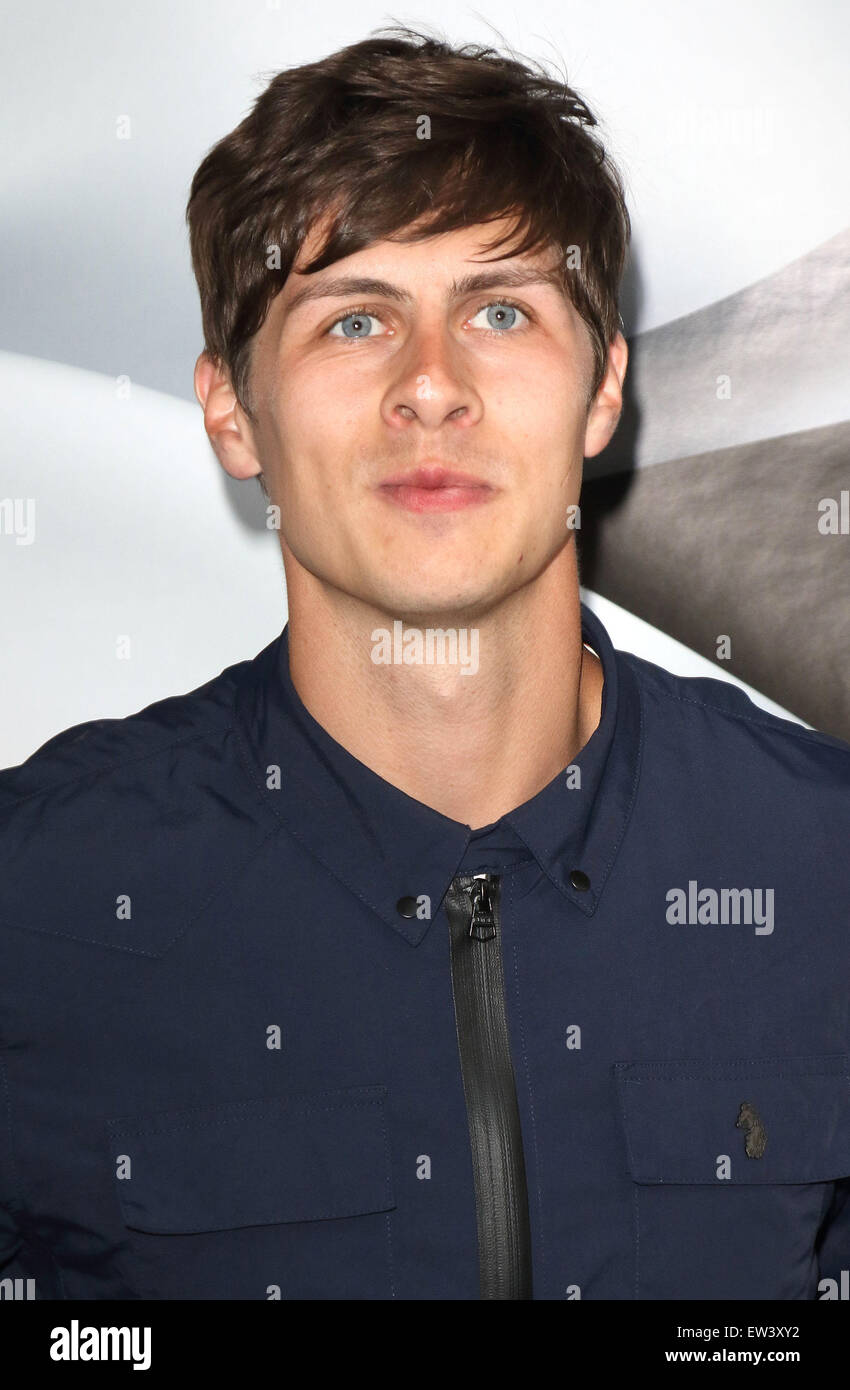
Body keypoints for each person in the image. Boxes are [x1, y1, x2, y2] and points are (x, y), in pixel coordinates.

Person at [1, 25, 848, 1302]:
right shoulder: (41, 899)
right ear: (234, 411)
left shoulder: (819, 866)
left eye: (499, 309)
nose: (431, 387)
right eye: (353, 321)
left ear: (603, 389)